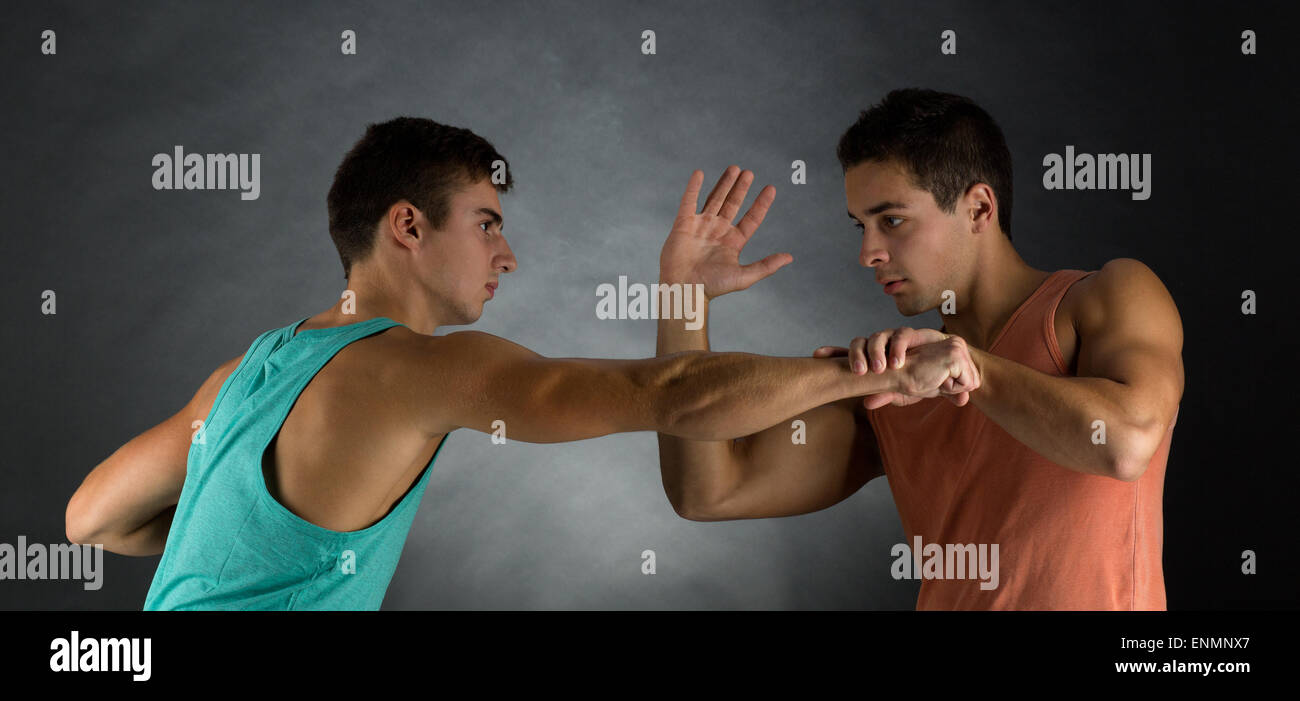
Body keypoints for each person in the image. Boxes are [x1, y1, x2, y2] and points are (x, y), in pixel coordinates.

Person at [63, 116, 976, 610]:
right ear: (407, 227)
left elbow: (89, 519)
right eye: (489, 224)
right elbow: (663, 395)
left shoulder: (244, 375)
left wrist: (244, 551)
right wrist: (886, 373)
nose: (508, 258)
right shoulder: (415, 369)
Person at [655, 88, 1184, 610]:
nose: (868, 252)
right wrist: (683, 295)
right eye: (860, 227)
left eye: (892, 220)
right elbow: (707, 492)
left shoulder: (1107, 295)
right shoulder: (897, 384)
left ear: (978, 209)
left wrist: (968, 367)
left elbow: (1126, 443)